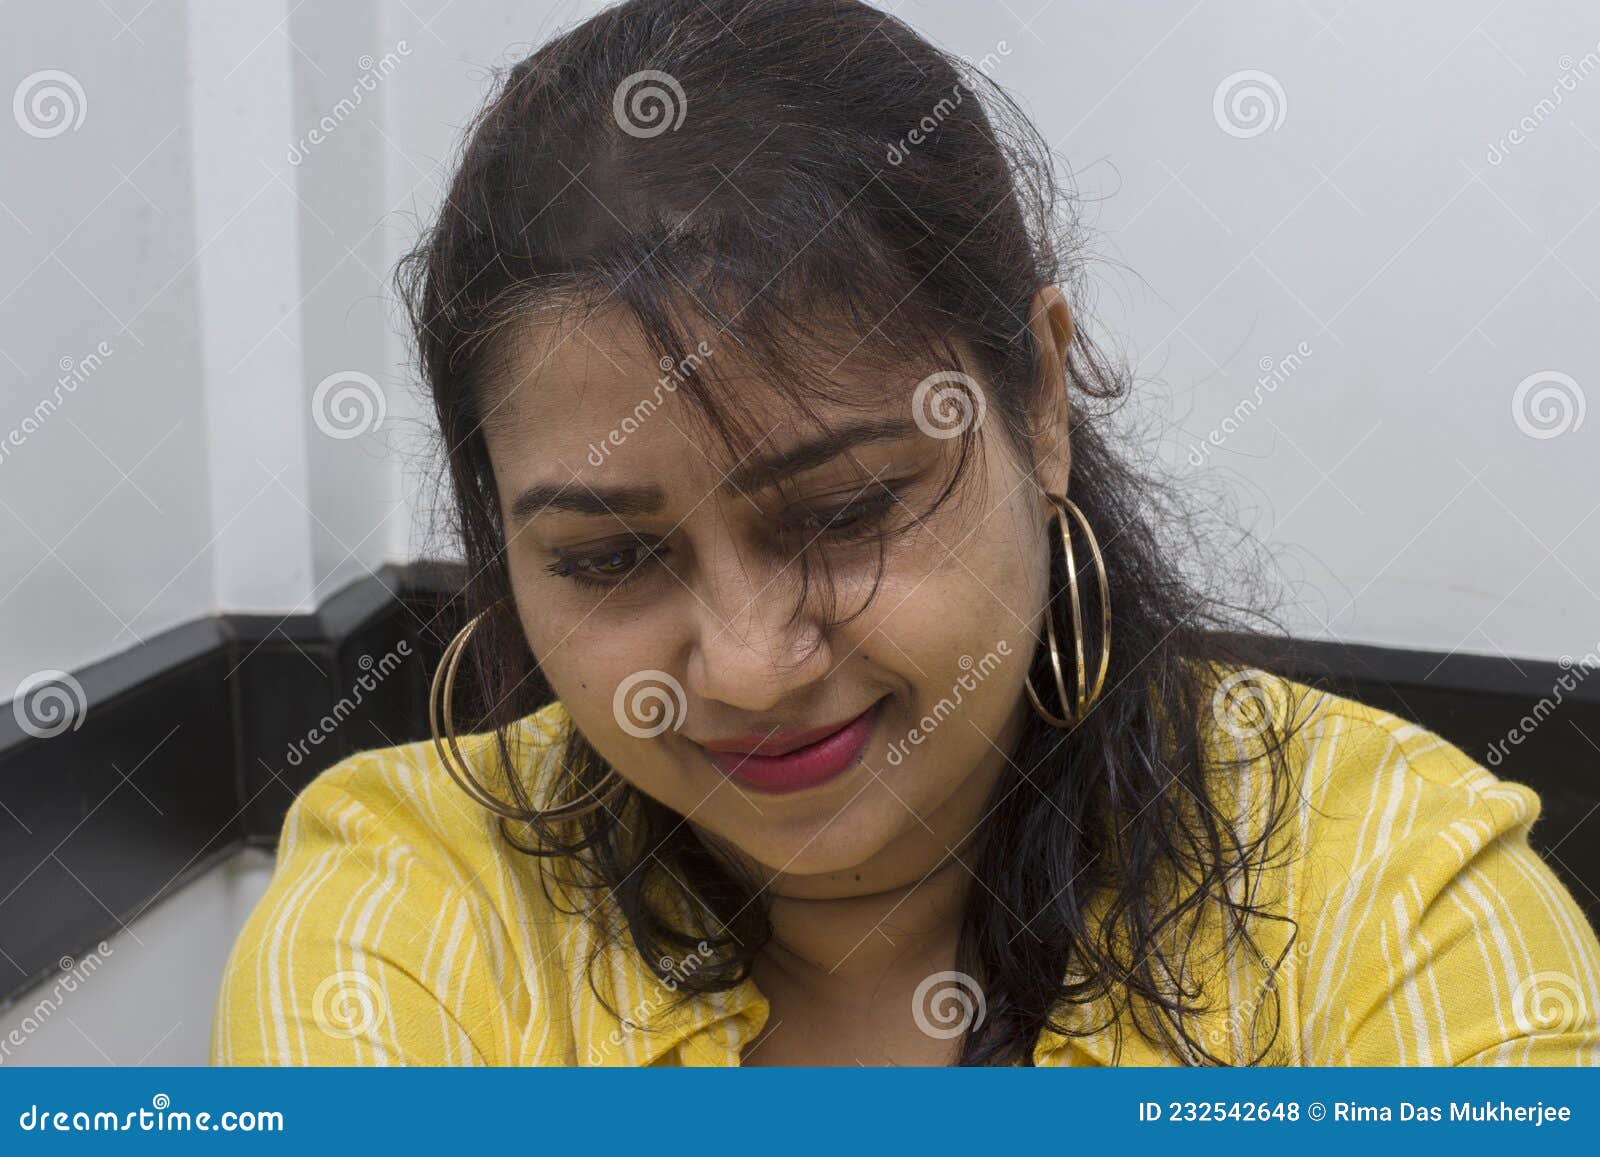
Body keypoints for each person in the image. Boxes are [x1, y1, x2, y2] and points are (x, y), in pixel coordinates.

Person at [211, 0, 1600, 1066]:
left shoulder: (1391, 898)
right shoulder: (412, 913)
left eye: (845, 511)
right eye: (608, 559)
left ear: (1039, 404)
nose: (748, 664)